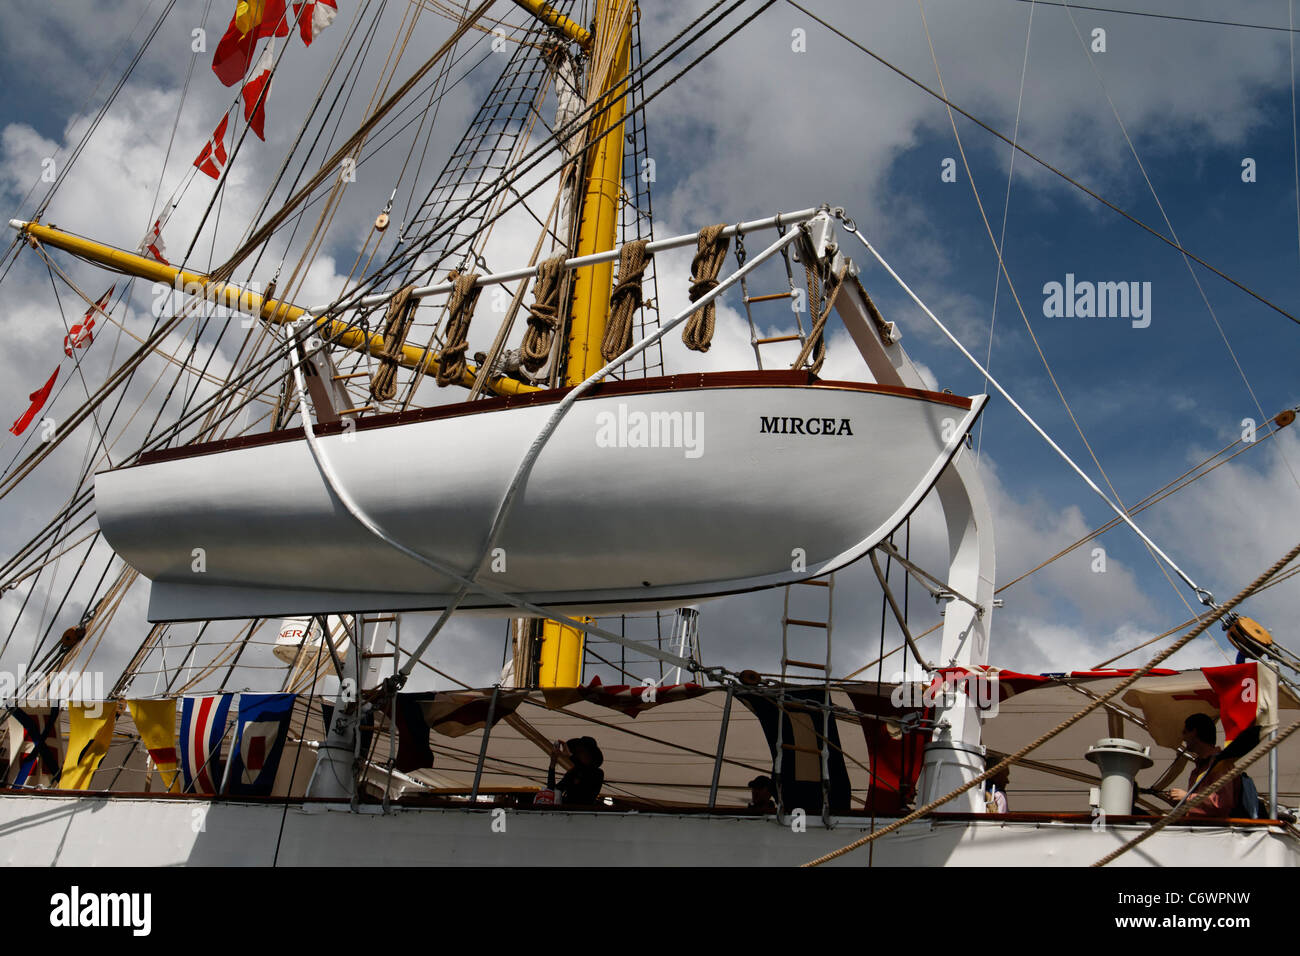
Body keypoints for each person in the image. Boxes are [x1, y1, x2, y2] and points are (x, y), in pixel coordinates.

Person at [1166, 713, 1239, 817]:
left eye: (1185, 732)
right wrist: (1182, 804)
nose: (1183, 738)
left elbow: (1222, 804)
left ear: (1194, 733)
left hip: (1214, 832)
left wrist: (1187, 798)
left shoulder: (1221, 764)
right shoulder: (1198, 769)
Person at [547, 736, 604, 805]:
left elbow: (586, 794)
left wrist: (570, 756)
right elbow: (553, 790)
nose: (578, 755)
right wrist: (552, 764)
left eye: (581, 751)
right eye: (577, 752)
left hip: (584, 812)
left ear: (590, 755)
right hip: (567, 813)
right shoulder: (573, 772)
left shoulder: (598, 773)